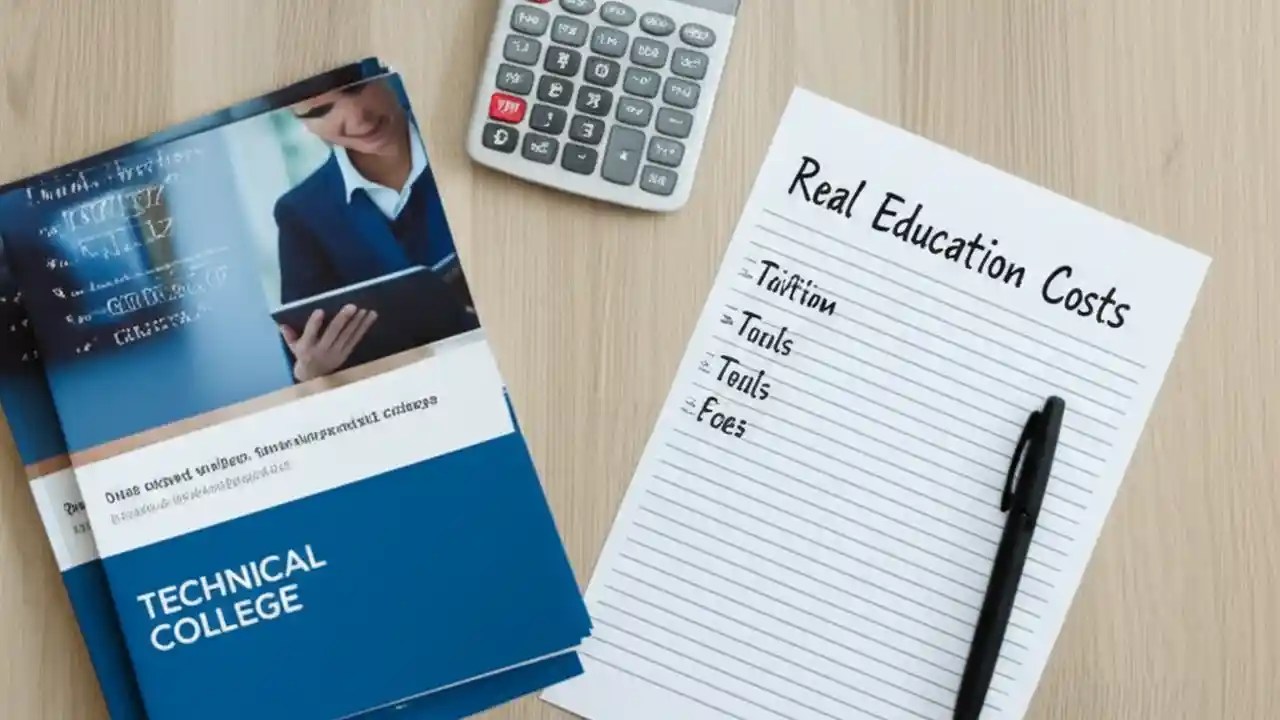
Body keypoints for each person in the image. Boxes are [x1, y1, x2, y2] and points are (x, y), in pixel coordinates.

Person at [273, 77, 475, 382]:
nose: (357, 119)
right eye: (321, 110)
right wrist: (311, 374)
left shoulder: (467, 134)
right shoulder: (300, 213)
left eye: (357, 87)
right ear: (300, 121)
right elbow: (301, 350)